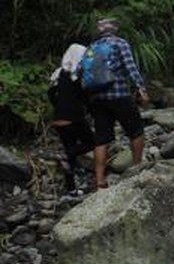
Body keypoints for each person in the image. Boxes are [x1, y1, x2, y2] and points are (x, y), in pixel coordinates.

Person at [85, 17, 149, 190]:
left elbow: (80, 72)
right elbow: (130, 67)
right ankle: (136, 169)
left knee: (101, 138)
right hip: (119, 94)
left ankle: (100, 181)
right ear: (115, 29)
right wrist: (141, 89)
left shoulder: (91, 47)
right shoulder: (120, 43)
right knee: (136, 131)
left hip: (96, 99)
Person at [48, 43, 95, 194]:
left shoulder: (58, 73)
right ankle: (65, 156)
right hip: (74, 118)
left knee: (71, 153)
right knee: (91, 142)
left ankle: (71, 189)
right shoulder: (78, 74)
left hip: (58, 120)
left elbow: (50, 94)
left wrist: (59, 107)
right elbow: (86, 97)